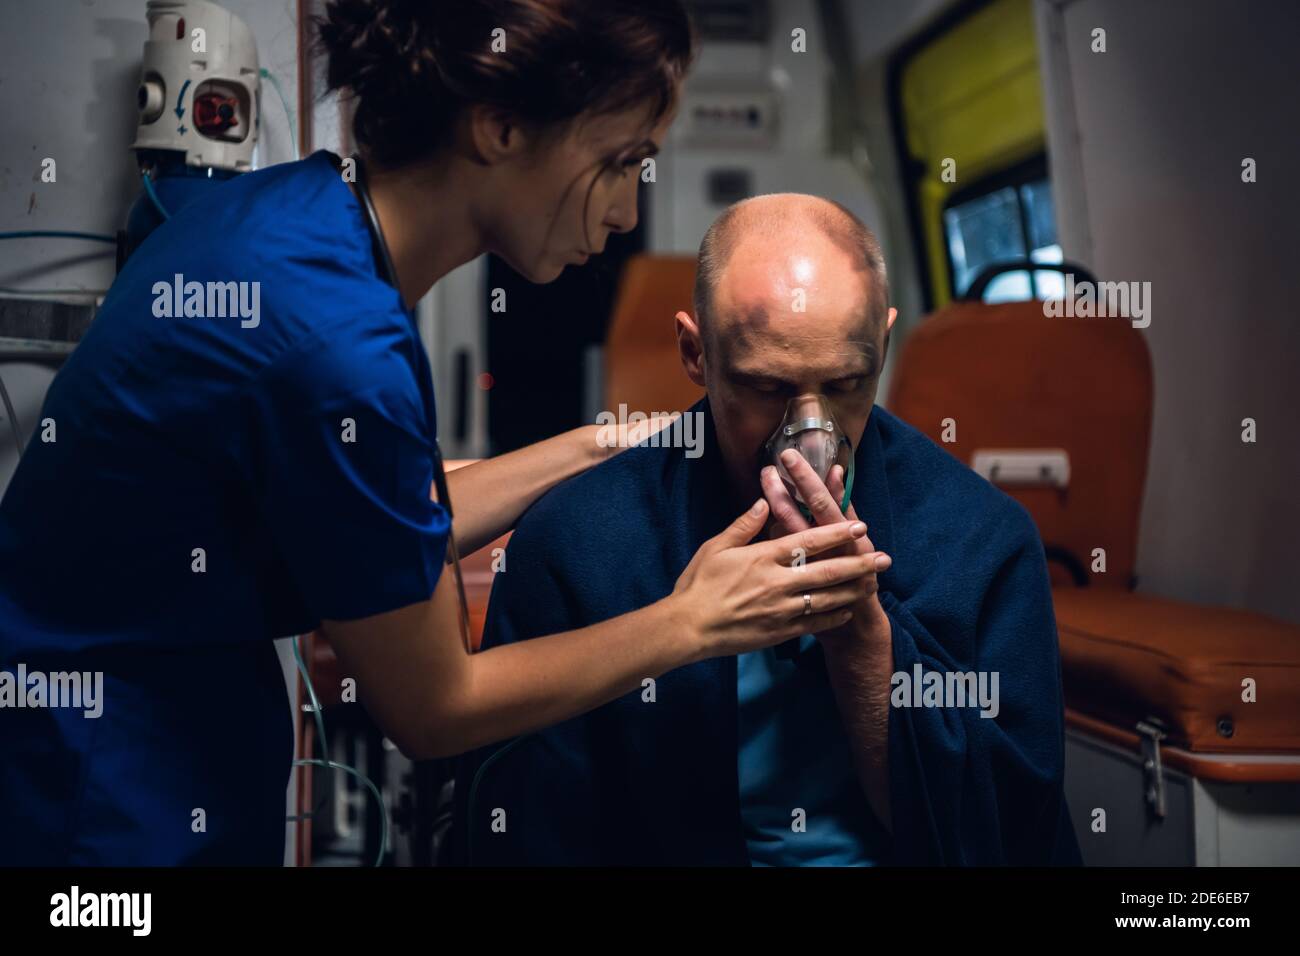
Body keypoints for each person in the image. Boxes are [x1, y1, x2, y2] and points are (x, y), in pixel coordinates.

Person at [0, 2, 879, 866]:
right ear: (499, 128)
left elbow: (394, 514)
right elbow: (436, 709)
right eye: (621, 163)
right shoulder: (336, 342)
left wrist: (606, 444)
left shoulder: (298, 219)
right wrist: (697, 620)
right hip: (99, 783)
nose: (621, 212)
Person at [450, 194, 1082, 866]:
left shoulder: (983, 540)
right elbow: (524, 831)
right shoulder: (577, 541)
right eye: (765, 388)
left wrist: (866, 648)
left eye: (846, 383)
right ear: (696, 354)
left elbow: (1013, 836)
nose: (811, 438)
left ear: (884, 346)